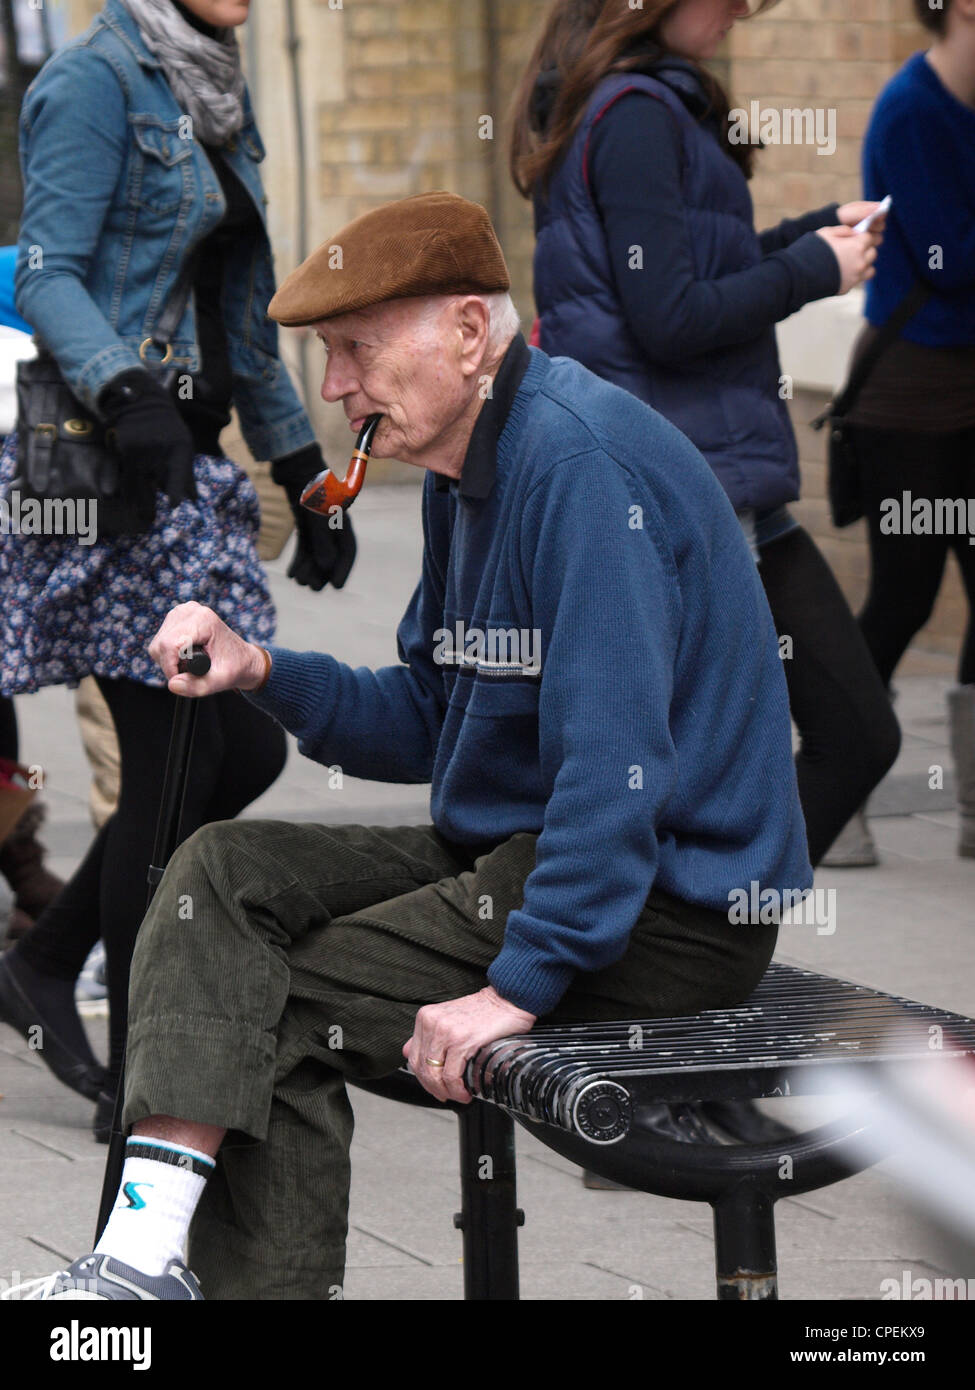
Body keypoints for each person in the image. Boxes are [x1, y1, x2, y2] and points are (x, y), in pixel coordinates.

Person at [5, 190, 812, 1301]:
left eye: (356, 350)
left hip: (667, 909)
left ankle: (214, 1286)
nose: (336, 386)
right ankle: (137, 1264)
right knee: (220, 877)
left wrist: (518, 982)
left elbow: (617, 772)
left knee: (273, 1000)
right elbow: (437, 712)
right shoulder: (462, 463)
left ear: (469, 334)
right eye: (330, 356)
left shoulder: (576, 467)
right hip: (533, 852)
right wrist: (261, 668)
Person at [0, 0, 355, 1139]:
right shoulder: (95, 81)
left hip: (190, 474)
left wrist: (306, 468)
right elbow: (49, 271)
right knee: (174, 756)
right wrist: (123, 387)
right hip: (109, 471)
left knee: (235, 747)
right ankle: (154, 1067)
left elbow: (243, 319)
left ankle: (45, 964)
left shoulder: (217, 86)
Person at [509, 0, 901, 882]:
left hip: (710, 478)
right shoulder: (637, 111)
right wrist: (814, 271)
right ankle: (681, 944)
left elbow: (686, 269)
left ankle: (694, 940)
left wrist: (811, 233)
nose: (737, 13)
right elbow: (671, 317)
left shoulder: (622, 102)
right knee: (809, 742)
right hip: (689, 485)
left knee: (847, 733)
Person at [836, 0, 975, 861]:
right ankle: (833, 788)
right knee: (905, 594)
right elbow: (945, 260)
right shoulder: (911, 109)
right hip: (909, 400)